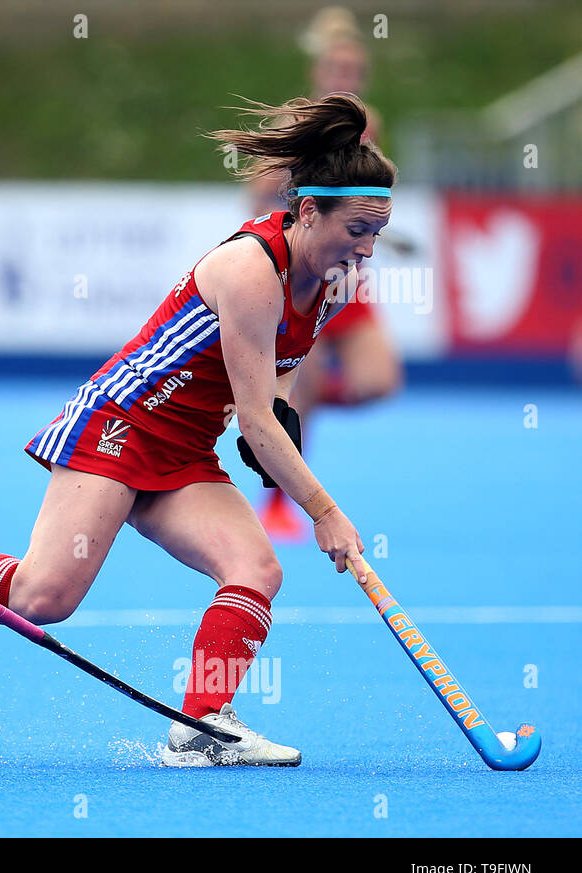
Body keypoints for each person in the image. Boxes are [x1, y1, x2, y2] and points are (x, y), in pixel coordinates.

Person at [0, 94, 395, 767]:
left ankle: (201, 724)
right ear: (309, 210)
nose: (366, 250)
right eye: (358, 229)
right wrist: (324, 510)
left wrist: (277, 422)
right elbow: (251, 415)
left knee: (255, 567)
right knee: (46, 596)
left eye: (377, 233)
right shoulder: (253, 271)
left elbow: (272, 388)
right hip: (121, 426)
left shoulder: (332, 281)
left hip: (185, 450)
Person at [252, 7, 403, 541]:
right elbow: (259, 198)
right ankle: (277, 499)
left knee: (379, 382)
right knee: (302, 385)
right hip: (300, 268)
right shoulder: (293, 126)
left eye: (354, 72)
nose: (347, 81)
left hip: (349, 272)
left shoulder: (372, 125)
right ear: (319, 73)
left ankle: (265, 410)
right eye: (337, 70)